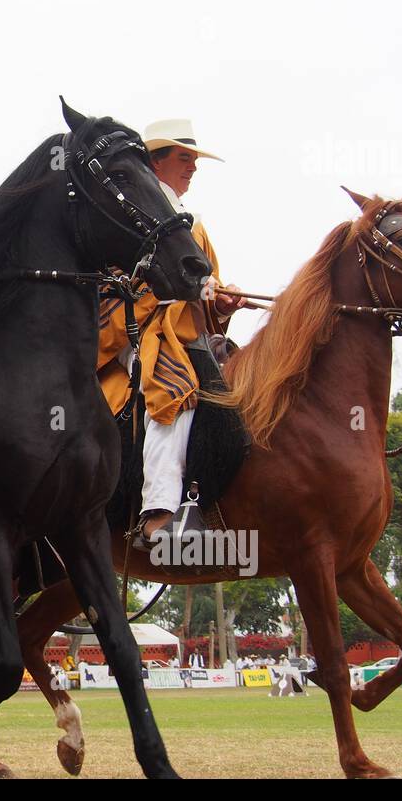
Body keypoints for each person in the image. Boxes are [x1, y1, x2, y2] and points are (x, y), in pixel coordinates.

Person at [95, 119, 250, 547]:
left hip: (184, 334)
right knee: (173, 387)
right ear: (154, 163)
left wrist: (222, 300)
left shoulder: (192, 224)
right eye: (185, 158)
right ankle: (158, 515)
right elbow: (113, 286)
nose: (194, 168)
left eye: (195, 160)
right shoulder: (125, 215)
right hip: (132, 330)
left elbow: (206, 289)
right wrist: (170, 294)